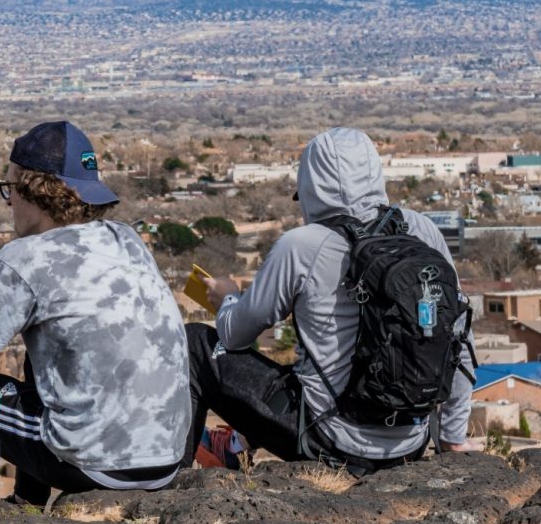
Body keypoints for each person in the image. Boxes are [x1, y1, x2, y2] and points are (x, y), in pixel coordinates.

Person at [183, 126, 477, 475]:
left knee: (196, 343)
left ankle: (172, 471)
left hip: (328, 440)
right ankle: (235, 445)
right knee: (313, 365)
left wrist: (226, 297)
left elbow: (234, 336)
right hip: (410, 444)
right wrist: (452, 439)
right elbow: (458, 339)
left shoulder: (301, 246)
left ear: (311, 189)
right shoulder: (421, 230)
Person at [0, 121, 190, 506]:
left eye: (10, 189)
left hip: (94, 461)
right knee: (43, 354)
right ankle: (28, 498)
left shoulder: (23, 258)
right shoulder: (126, 239)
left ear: (33, 190)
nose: (9, 203)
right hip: (167, 457)